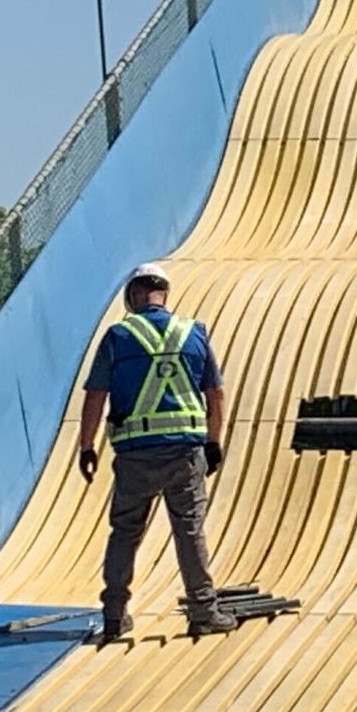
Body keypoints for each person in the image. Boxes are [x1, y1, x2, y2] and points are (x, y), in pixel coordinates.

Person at [74, 264, 236, 643]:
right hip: (185, 451)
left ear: (132, 295)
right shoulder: (193, 332)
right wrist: (214, 441)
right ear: (165, 293)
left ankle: (114, 615)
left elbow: (95, 395)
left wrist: (86, 446)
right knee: (189, 529)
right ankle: (203, 612)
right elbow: (215, 393)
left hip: (135, 454)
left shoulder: (118, 336)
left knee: (125, 532)